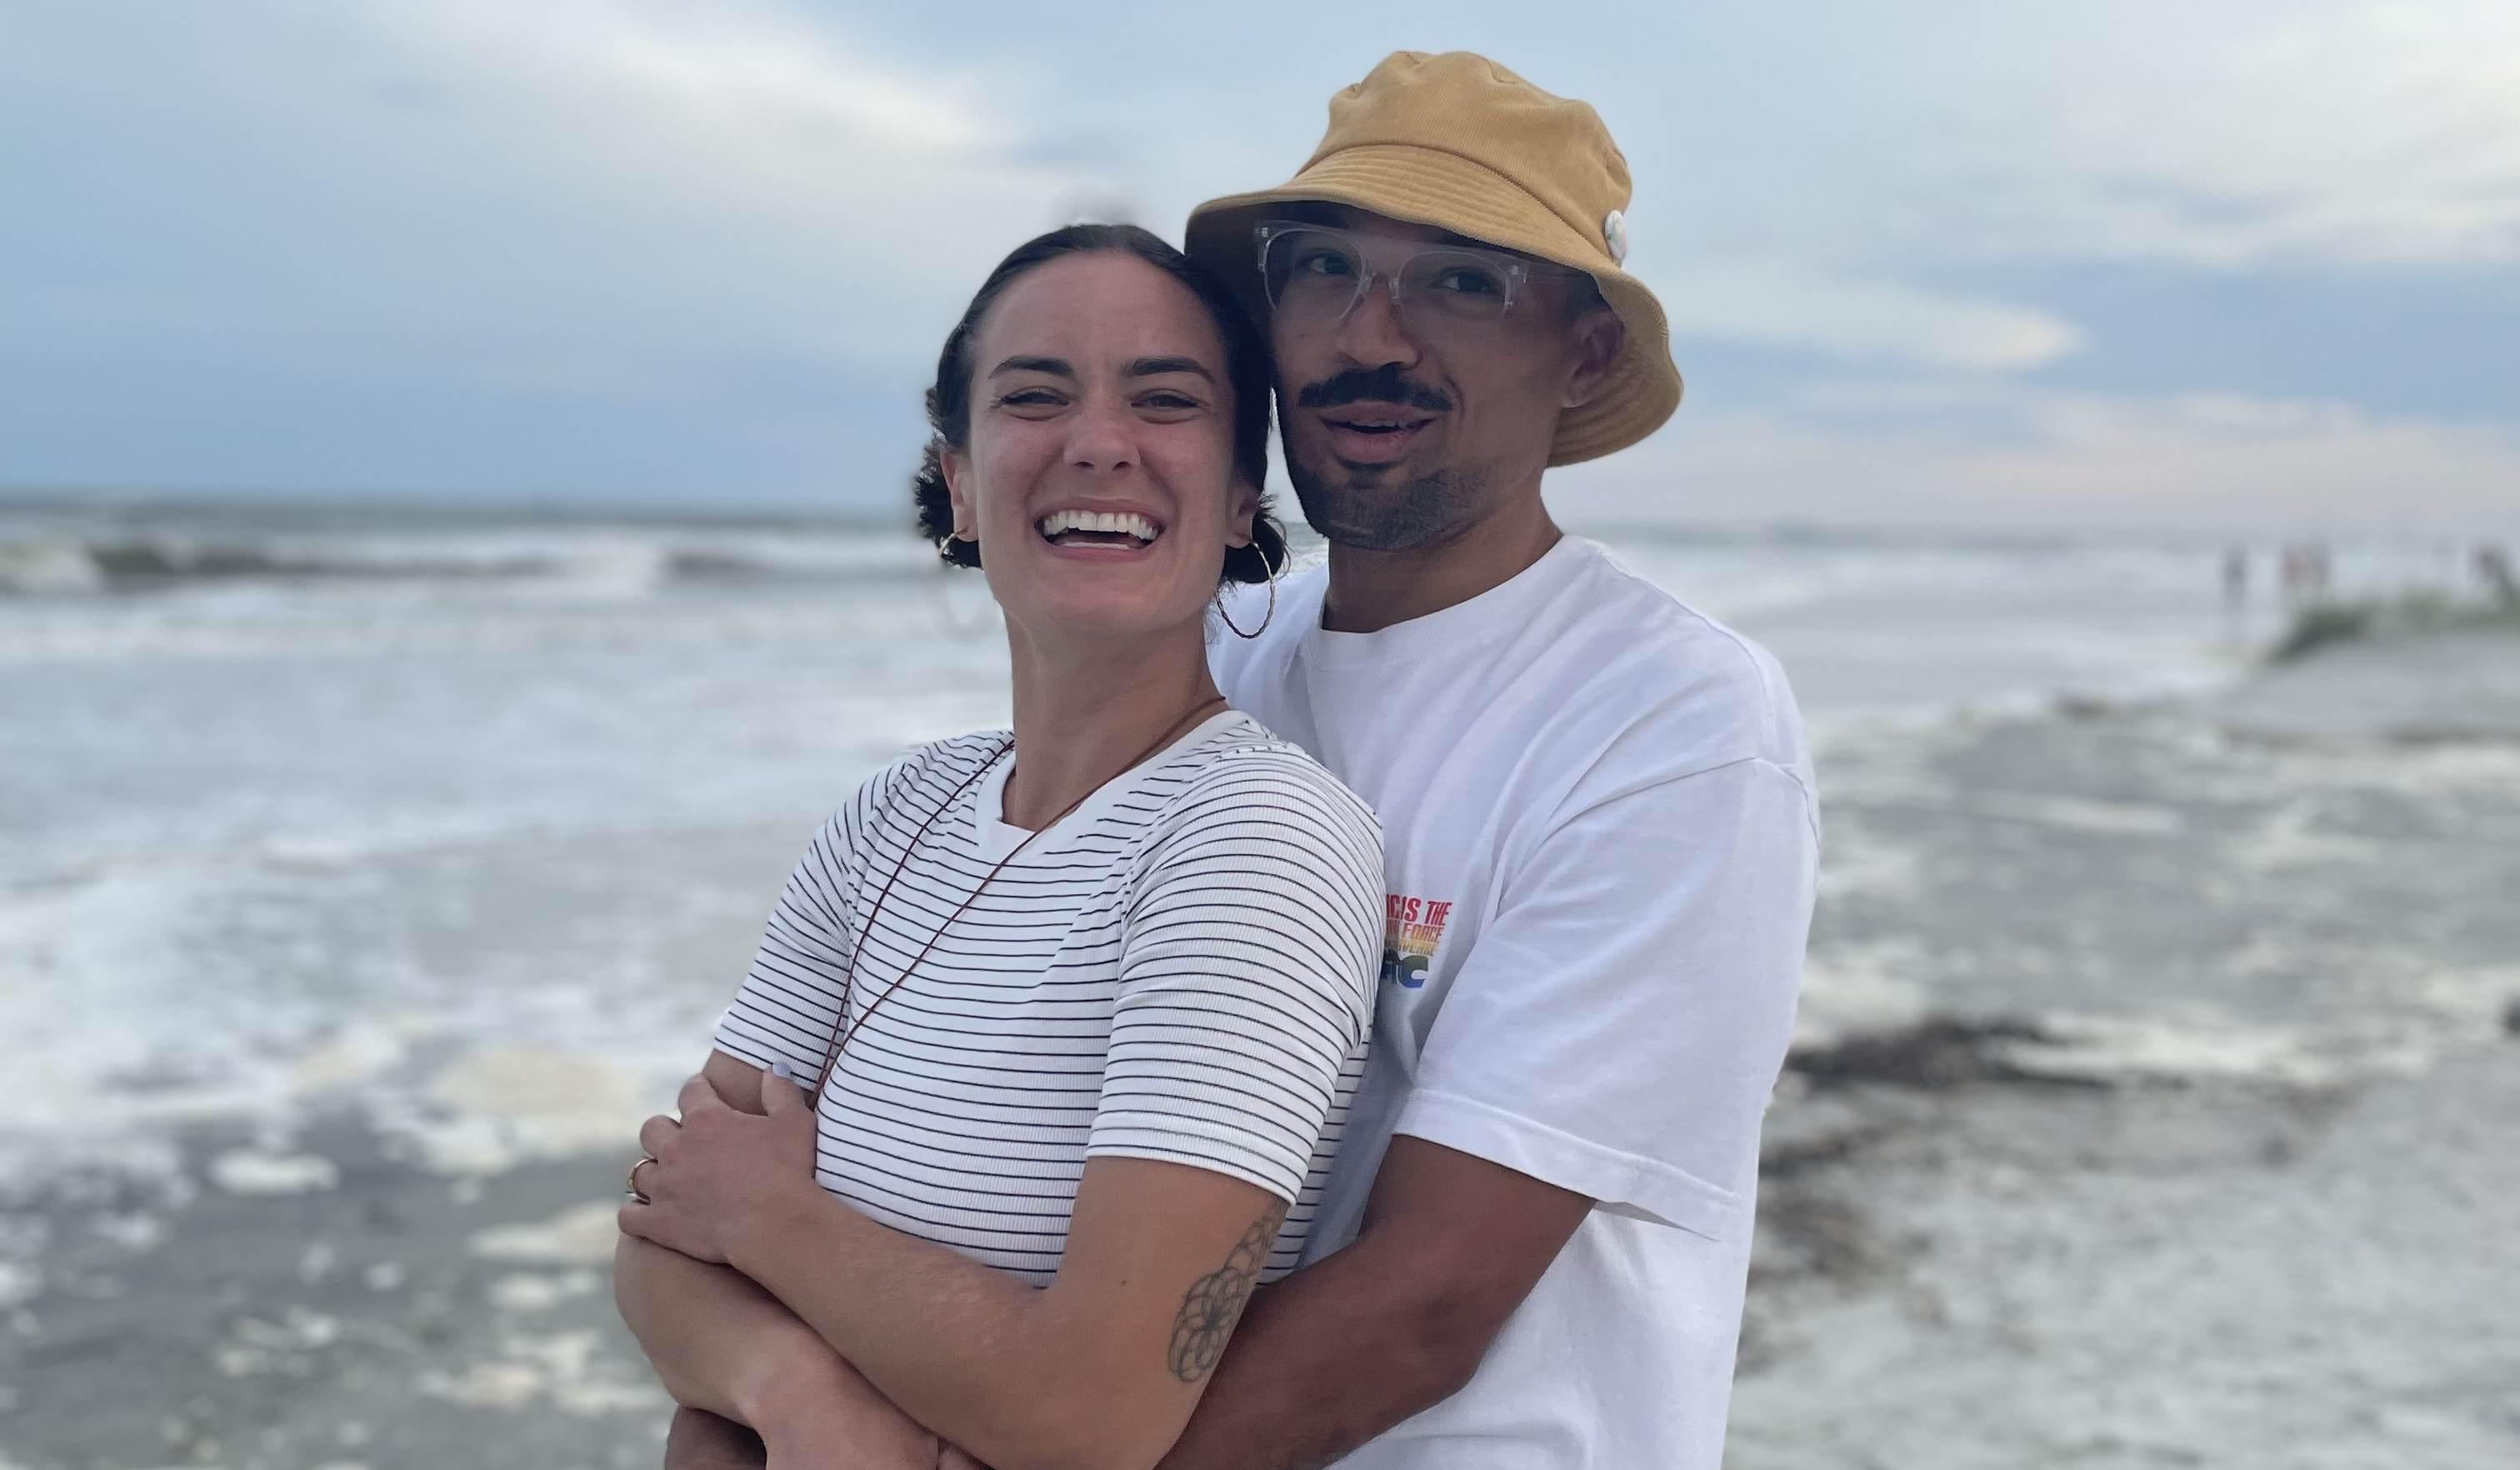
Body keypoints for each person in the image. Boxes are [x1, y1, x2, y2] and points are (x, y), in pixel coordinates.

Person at [658, 50, 1818, 1470]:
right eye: (1324, 270)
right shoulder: (1212, 666)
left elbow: (1425, 1304)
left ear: (1580, 352)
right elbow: (736, 1191)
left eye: (1464, 282)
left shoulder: (1670, 722)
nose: (1373, 334)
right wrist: (782, 1390)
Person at [612, 223, 1384, 1470]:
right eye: (1034, 395)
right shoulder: (893, 813)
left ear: (1242, 495)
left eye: (1165, 400)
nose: (1099, 442)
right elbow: (660, 1238)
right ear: (960, 484)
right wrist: (807, 1403)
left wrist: (768, 1218)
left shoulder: (1258, 841)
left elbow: (1092, 1414)